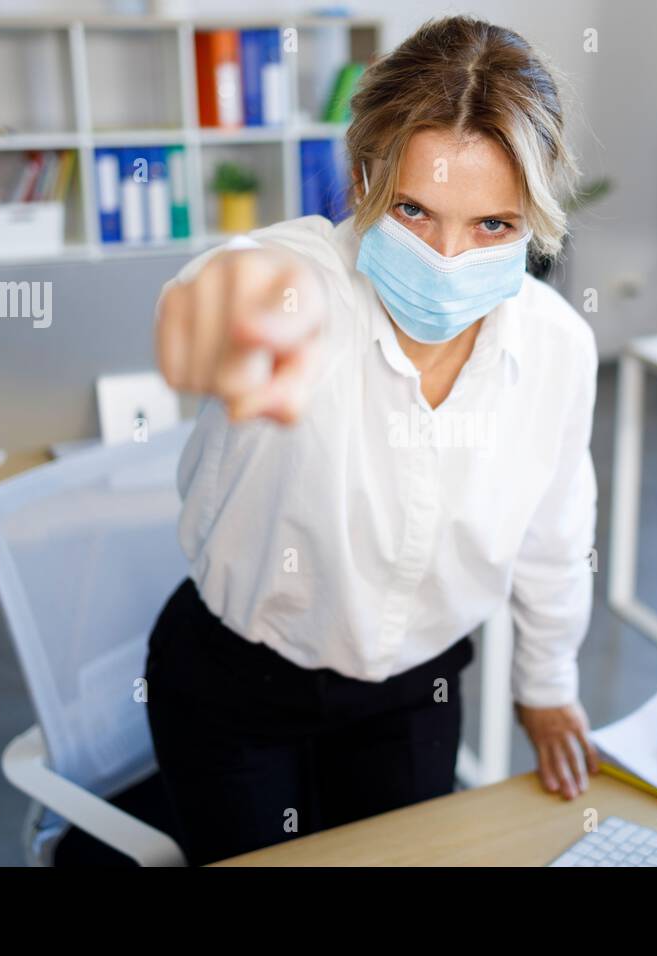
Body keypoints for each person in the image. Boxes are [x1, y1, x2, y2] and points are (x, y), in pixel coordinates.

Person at [145, 14, 600, 866]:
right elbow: (214, 297)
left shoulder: (556, 351)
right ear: (363, 181)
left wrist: (545, 685)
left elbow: (554, 533)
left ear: (534, 218)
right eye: (415, 210)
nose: (448, 257)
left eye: (492, 226)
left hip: (414, 688)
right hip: (239, 681)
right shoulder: (303, 291)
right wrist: (215, 322)